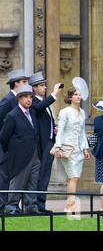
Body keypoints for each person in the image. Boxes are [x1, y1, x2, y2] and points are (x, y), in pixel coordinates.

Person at [0, 85, 41, 214]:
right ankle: (11, 207)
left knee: (32, 182)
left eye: (30, 97)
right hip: (19, 154)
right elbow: (4, 136)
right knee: (17, 181)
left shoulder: (32, 112)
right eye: (25, 97)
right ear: (19, 99)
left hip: (34, 153)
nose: (29, 100)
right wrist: (12, 150)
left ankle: (31, 207)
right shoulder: (12, 115)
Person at [29, 72, 62, 213]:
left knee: (45, 175)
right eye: (41, 85)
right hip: (40, 145)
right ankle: (35, 205)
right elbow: (38, 109)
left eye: (44, 85)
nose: (44, 88)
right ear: (34, 88)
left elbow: (44, 120)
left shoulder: (42, 103)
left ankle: (41, 205)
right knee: (39, 175)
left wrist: (52, 130)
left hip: (49, 142)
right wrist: (54, 94)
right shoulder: (34, 102)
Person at [54, 86, 90, 213]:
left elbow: (82, 132)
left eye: (79, 94)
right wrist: (58, 147)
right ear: (70, 97)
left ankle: (69, 205)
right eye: (75, 94)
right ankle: (71, 205)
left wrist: (85, 148)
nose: (78, 97)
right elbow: (61, 130)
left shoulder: (82, 112)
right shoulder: (65, 112)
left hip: (79, 148)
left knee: (74, 177)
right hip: (67, 147)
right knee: (73, 176)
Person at [0, 69, 29, 212]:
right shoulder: (8, 100)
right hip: (5, 148)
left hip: (14, 148)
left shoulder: (19, 100)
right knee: (4, 178)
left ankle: (10, 205)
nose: (26, 84)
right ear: (16, 84)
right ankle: (3, 206)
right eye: (24, 82)